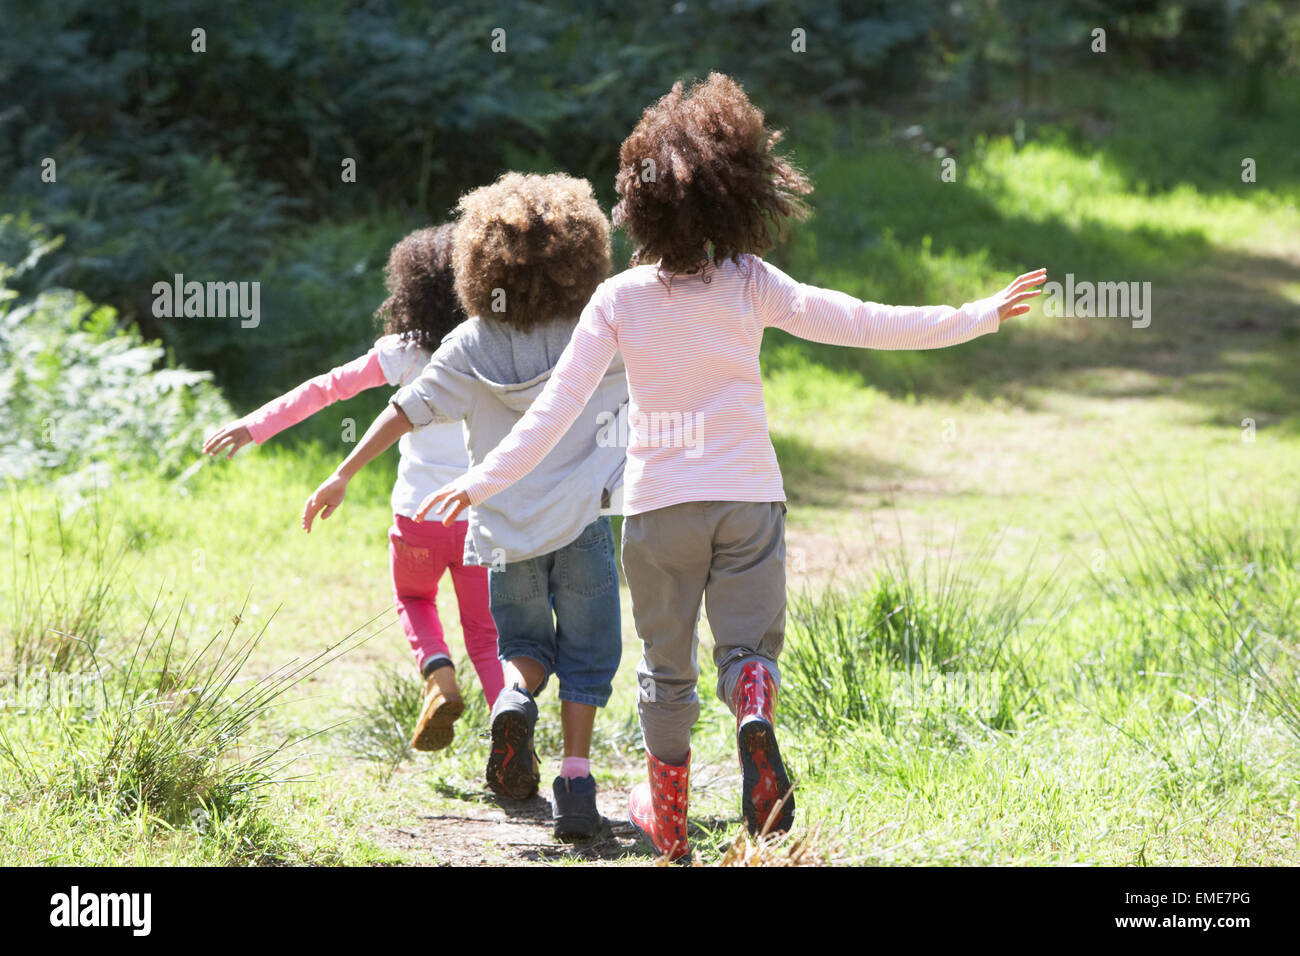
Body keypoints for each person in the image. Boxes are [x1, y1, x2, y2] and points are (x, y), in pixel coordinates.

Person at [418, 74, 1046, 861]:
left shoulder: (617, 299)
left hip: (659, 511)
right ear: (738, 194)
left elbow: (554, 413)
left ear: (638, 201)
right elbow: (862, 321)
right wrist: (977, 315)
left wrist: (482, 480)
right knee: (747, 647)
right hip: (749, 498)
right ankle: (753, 702)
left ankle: (670, 820)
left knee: (665, 667)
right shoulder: (752, 284)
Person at [301, 174, 628, 842]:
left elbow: (401, 411)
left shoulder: (470, 343)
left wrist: (341, 473)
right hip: (583, 525)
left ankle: (512, 701)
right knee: (589, 657)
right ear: (580, 253)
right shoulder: (596, 333)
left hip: (504, 533)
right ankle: (575, 785)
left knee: (525, 647)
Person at [205, 224, 504, 751]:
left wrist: (256, 425)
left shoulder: (405, 353)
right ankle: (511, 732)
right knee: (486, 634)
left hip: (419, 518)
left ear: (411, 291)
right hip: (482, 517)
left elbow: (326, 389)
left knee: (414, 596)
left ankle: (438, 675)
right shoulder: (494, 349)